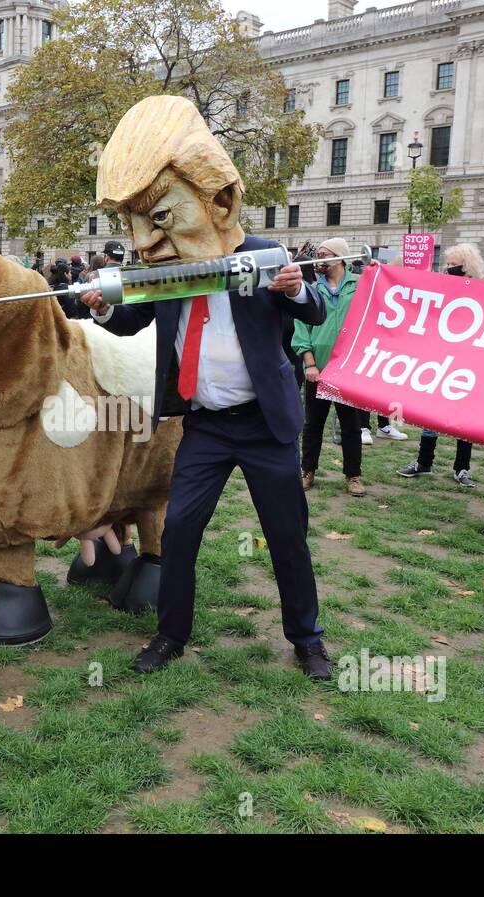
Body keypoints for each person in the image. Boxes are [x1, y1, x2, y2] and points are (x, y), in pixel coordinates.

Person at [80, 95, 333, 680]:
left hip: (265, 426)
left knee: (286, 536)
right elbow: (130, 319)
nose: (144, 242)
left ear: (219, 201)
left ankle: (307, 639)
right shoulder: (162, 272)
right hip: (206, 427)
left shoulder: (264, 256)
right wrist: (98, 307)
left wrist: (294, 289)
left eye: (160, 218)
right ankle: (170, 634)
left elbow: (316, 311)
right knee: (179, 531)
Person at [397, 244, 481, 487]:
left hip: (468, 362)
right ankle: (424, 462)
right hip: (440, 359)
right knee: (431, 414)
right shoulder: (442, 287)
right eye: (446, 264)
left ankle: (462, 467)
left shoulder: (481, 290)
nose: (447, 268)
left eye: (451, 264)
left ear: (465, 266)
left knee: (464, 418)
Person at [290, 237, 365, 496]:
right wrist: (309, 363)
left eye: (323, 255)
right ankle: (307, 469)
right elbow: (301, 328)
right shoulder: (311, 288)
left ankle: (353, 475)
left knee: (351, 425)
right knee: (313, 423)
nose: (318, 260)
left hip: (348, 372)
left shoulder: (361, 286)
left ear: (339, 258)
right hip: (317, 371)